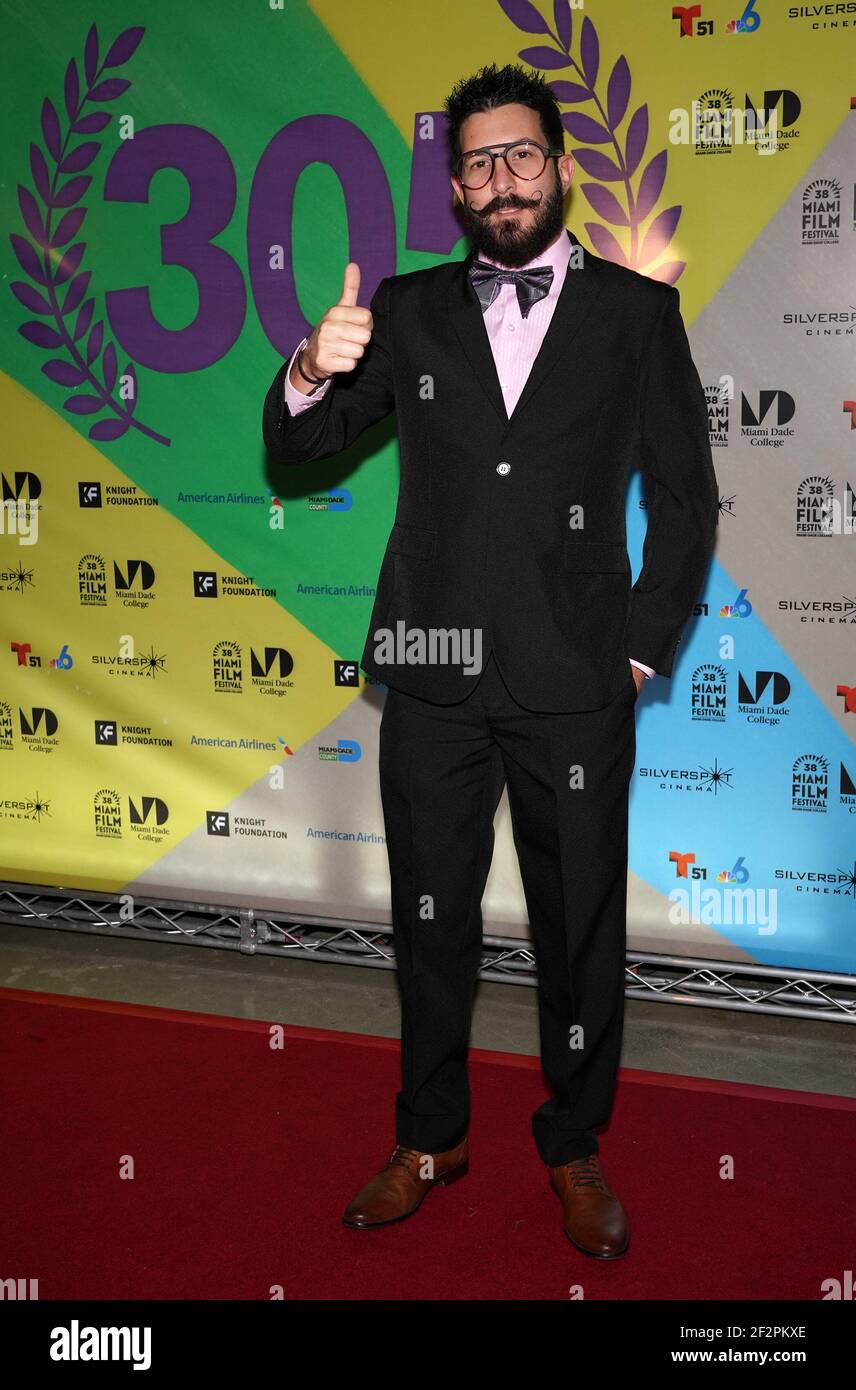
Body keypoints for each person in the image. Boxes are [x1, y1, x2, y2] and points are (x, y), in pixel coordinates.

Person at [263, 62, 718, 1259]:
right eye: (476, 163)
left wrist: (633, 655)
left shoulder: (634, 316)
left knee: (577, 927)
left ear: (561, 168)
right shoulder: (406, 312)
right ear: (454, 186)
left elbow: (685, 499)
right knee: (431, 923)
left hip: (576, 682)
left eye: (520, 155)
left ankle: (572, 1147)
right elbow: (300, 450)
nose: (500, 179)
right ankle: (430, 1137)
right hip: (431, 666)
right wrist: (313, 363)